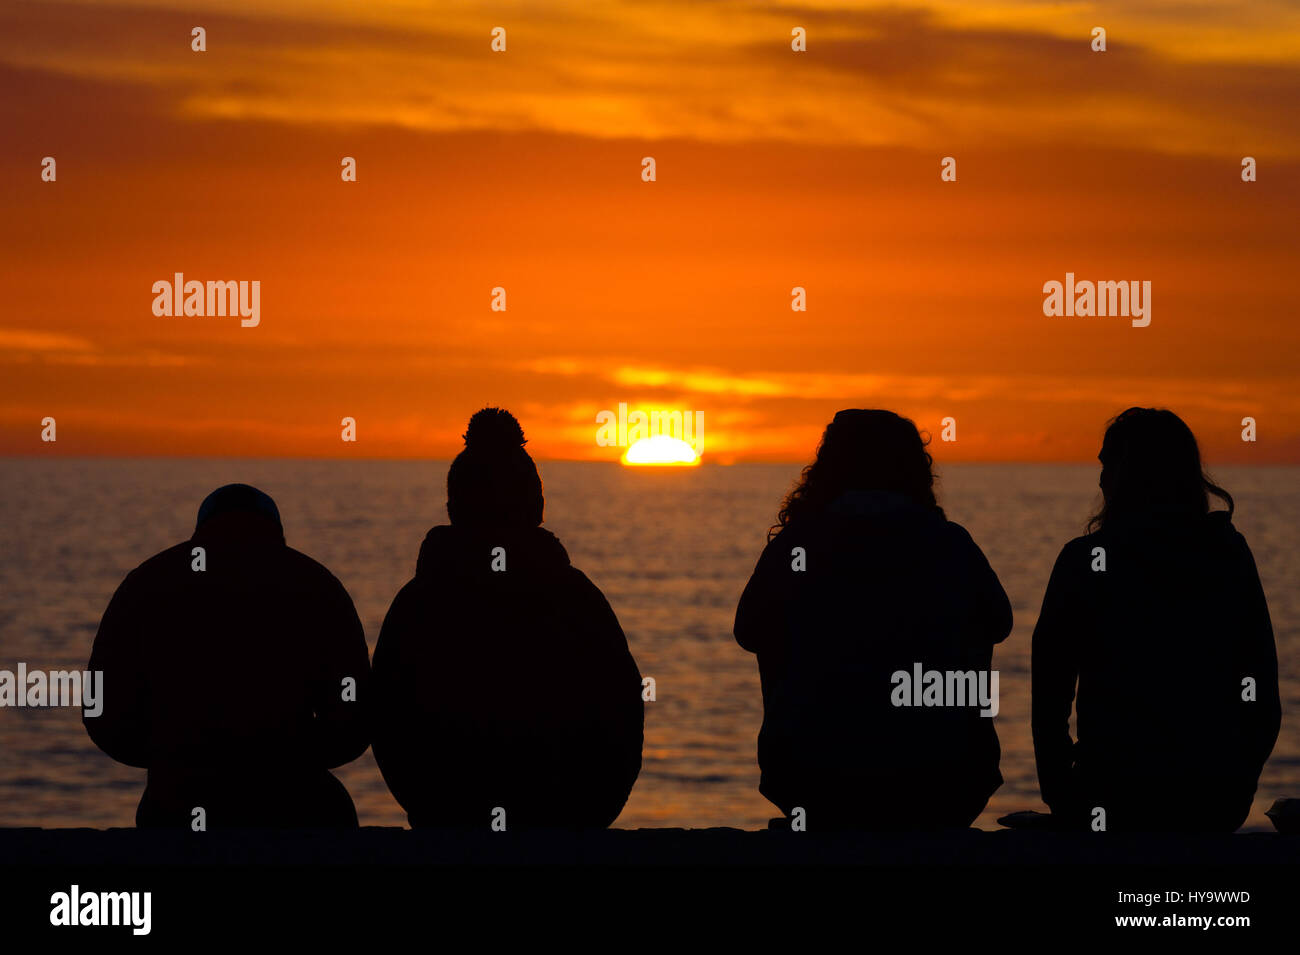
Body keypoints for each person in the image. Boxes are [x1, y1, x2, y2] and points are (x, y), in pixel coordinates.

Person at [735, 409, 1011, 829]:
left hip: (813, 780)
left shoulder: (799, 546)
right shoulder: (950, 544)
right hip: (946, 783)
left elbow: (749, 630)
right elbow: (999, 623)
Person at [372, 408, 643, 828]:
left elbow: (388, 720)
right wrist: (587, 819)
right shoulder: (575, 598)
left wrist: (431, 810)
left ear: (452, 507)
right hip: (561, 819)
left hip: (448, 817)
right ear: (536, 506)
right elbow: (622, 714)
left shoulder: (420, 602)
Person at [1032, 407, 1281, 832]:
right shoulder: (1226, 556)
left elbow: (1050, 697)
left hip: (1111, 797)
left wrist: (1066, 798)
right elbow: (1259, 693)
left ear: (1133, 471)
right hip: (1208, 799)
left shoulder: (1084, 562)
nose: (1100, 479)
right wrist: (1234, 787)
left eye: (1108, 463)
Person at [84, 483, 371, 827]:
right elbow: (354, 721)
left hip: (176, 802)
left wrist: (171, 756)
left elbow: (103, 712)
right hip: (291, 801)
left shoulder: (144, 583)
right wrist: (296, 757)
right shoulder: (318, 584)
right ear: (276, 532)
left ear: (200, 529)